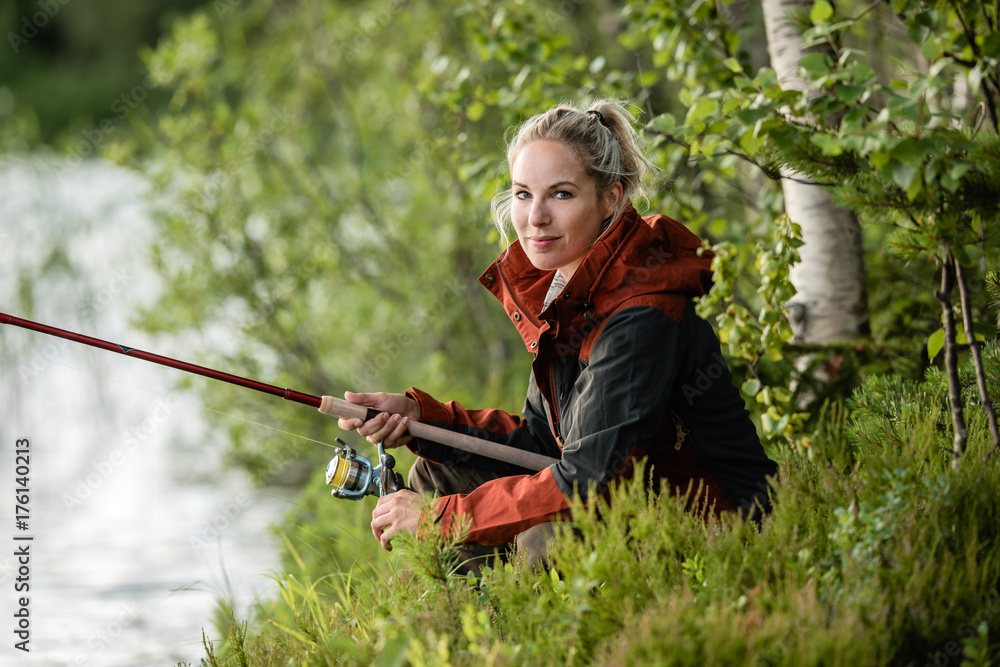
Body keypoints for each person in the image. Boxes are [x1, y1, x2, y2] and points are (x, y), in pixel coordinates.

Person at [338, 99, 778, 573]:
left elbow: (585, 478)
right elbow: (543, 444)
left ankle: (537, 636)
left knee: (544, 534)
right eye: (523, 194)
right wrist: (423, 419)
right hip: (632, 499)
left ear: (612, 197)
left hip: (715, 523)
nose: (536, 217)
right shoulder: (570, 293)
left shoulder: (640, 317)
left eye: (562, 194)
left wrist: (441, 519)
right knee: (438, 473)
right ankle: (463, 627)